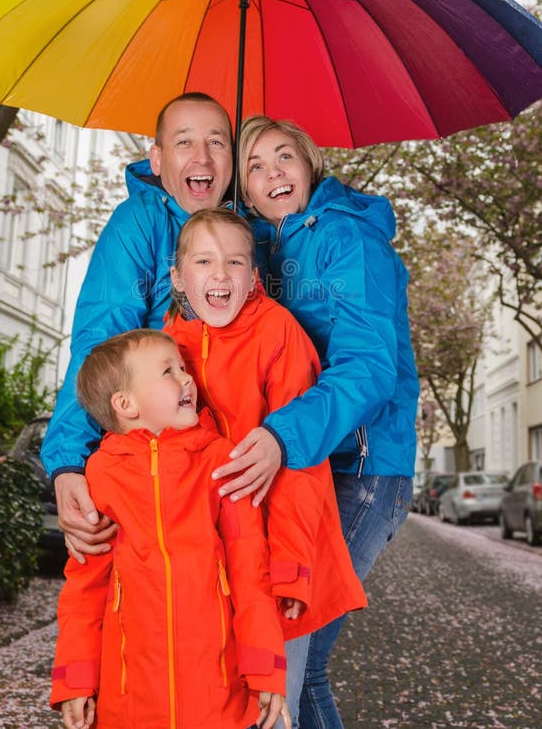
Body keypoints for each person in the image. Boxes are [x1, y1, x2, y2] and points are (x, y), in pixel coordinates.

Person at [210, 116, 420, 728]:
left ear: (309, 165)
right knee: (289, 666)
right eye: (254, 166)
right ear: (245, 191)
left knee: (295, 662)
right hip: (306, 472)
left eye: (285, 157)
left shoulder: (350, 240)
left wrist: (282, 434)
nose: (273, 172)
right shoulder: (255, 251)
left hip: (362, 468)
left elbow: (369, 368)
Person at [164, 208, 367, 729]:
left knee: (274, 706)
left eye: (235, 262)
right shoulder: (167, 345)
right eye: (204, 261)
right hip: (215, 561)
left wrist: (292, 570)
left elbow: (302, 463)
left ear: (255, 276)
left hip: (278, 553)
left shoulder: (277, 332)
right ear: (178, 277)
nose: (220, 274)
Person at [50, 328, 289, 729]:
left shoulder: (220, 461)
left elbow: (251, 572)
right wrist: (75, 682)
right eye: (168, 371)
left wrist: (265, 669)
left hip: (217, 697)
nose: (187, 378)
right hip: (129, 704)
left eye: (183, 367)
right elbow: (83, 592)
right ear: (126, 404)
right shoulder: (101, 476)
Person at [41, 92, 234, 560]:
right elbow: (102, 343)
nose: (203, 157)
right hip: (156, 451)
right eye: (184, 142)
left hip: (230, 450)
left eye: (217, 142)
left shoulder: (252, 231)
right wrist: (68, 461)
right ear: (157, 159)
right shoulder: (139, 223)